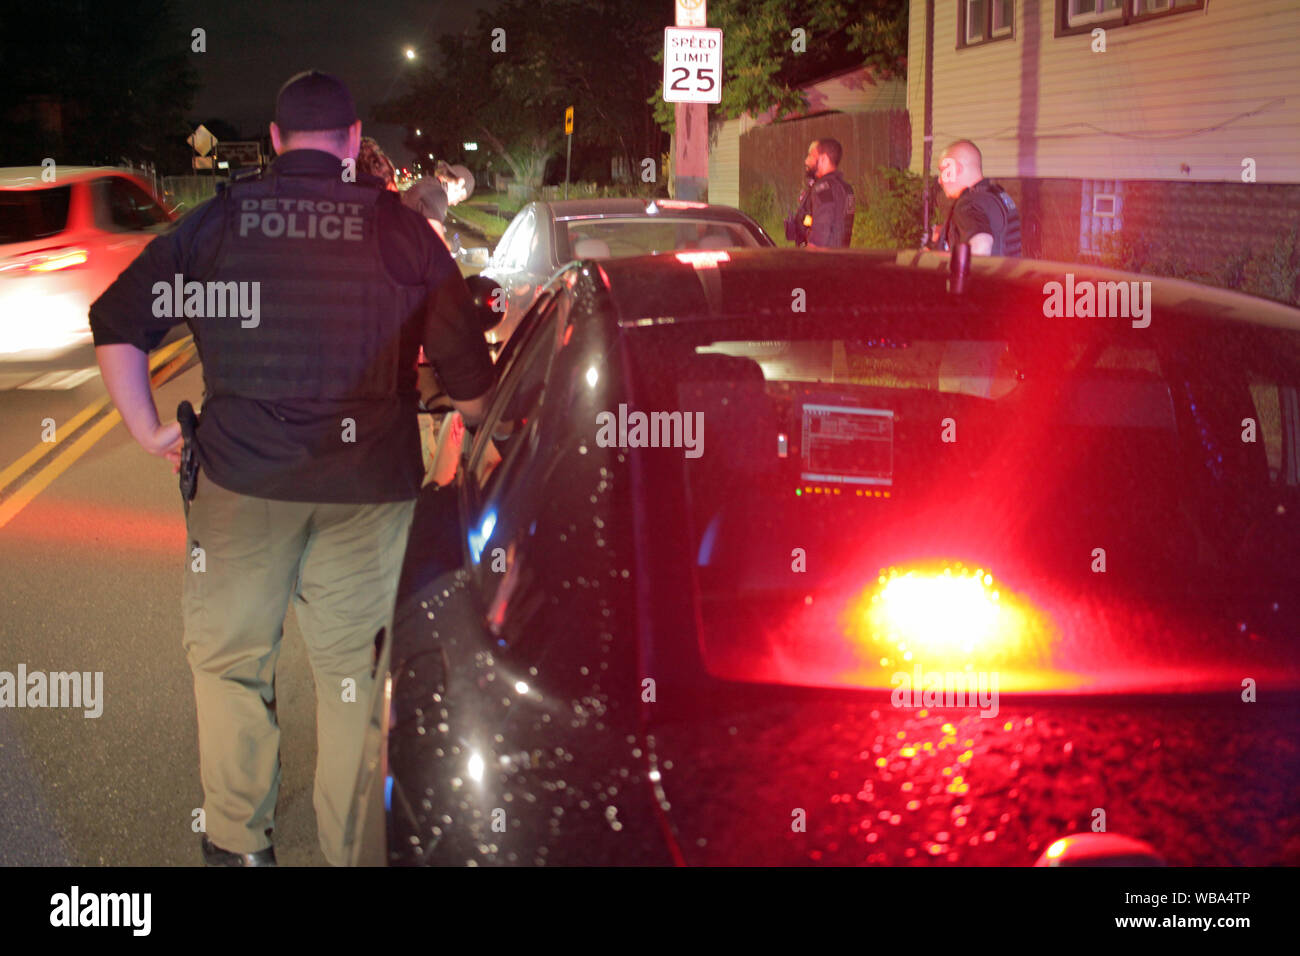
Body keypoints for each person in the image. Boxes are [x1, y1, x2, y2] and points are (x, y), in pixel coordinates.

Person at [87, 70, 495, 867]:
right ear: (351, 139)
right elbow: (471, 384)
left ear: (275, 142)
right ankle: (351, 850)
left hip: (240, 489)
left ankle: (239, 848)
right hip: (369, 496)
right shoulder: (404, 232)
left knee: (234, 669)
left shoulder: (216, 225)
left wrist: (145, 428)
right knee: (352, 683)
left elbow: (118, 319)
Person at [933, 139, 1022, 256]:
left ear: (956, 168)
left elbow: (981, 246)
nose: (939, 180)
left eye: (943, 171)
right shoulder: (997, 196)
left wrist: (940, 258)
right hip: (1007, 272)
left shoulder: (967, 204)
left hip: (986, 274)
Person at [784, 138, 855, 248]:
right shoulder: (845, 188)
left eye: (811, 156)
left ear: (823, 159)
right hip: (840, 258)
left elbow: (821, 230)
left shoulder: (823, 188)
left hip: (823, 260)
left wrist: (810, 254)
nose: (806, 161)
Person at [402, 161, 475, 246]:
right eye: (459, 198)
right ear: (459, 183)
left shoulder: (428, 183)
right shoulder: (438, 195)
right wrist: (452, 246)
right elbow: (437, 246)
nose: (455, 203)